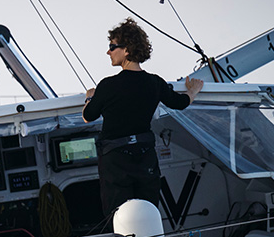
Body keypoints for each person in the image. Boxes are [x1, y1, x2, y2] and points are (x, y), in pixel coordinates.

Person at [82, 18, 203, 216]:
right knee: (148, 214)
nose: (108, 51)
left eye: (112, 46)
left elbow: (89, 116)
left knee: (120, 216)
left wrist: (90, 97)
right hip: (145, 156)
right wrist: (194, 90)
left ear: (127, 49)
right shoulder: (155, 83)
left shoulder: (107, 85)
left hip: (116, 161)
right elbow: (180, 103)